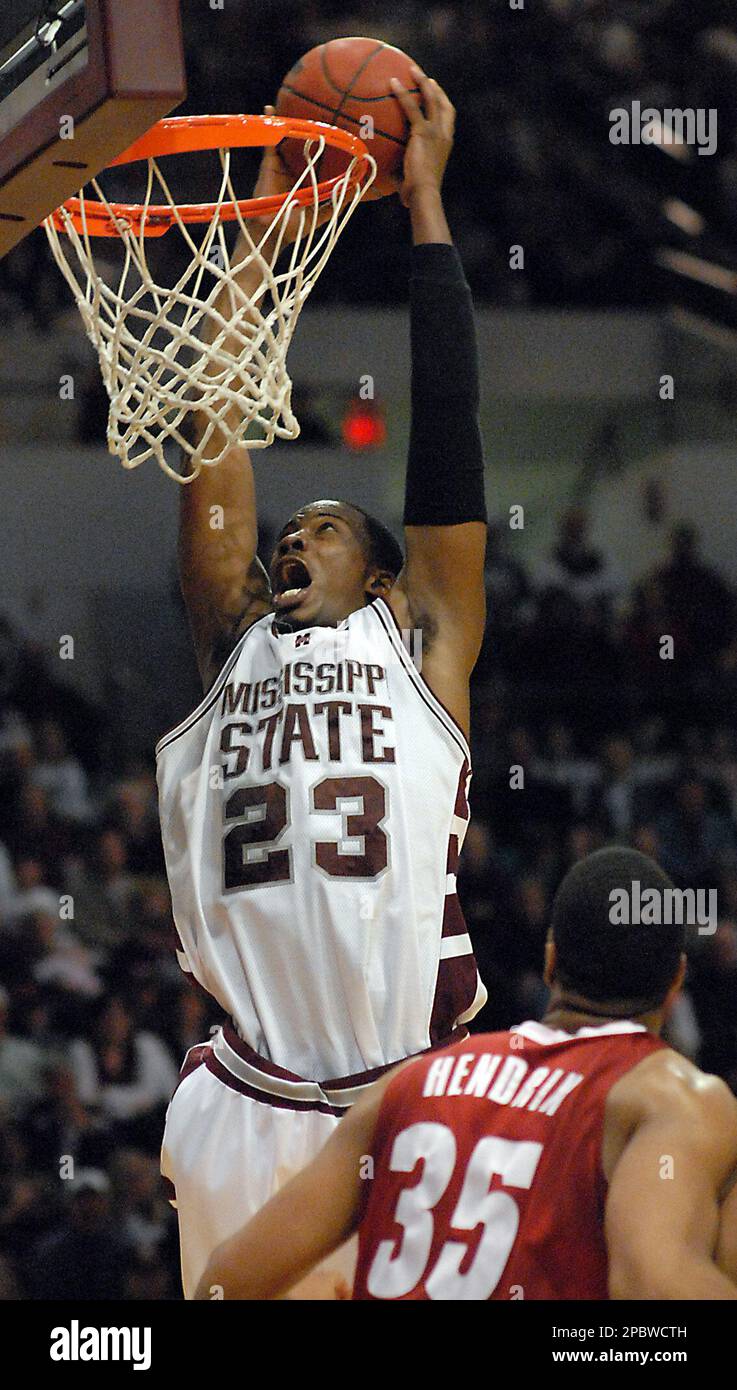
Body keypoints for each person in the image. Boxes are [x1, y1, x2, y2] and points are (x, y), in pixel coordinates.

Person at [156, 67, 488, 1298]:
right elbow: (215, 444)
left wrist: (424, 209)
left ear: (390, 584)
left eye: (328, 527)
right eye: (285, 533)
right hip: (245, 1099)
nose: (291, 540)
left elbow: (449, 437)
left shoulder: (426, 648)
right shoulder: (229, 643)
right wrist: (257, 234)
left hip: (403, 1096)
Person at [195, 848, 737, 1301]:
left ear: (550, 962)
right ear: (676, 983)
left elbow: (225, 1281)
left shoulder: (409, 1084)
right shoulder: (670, 1097)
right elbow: (654, 1285)